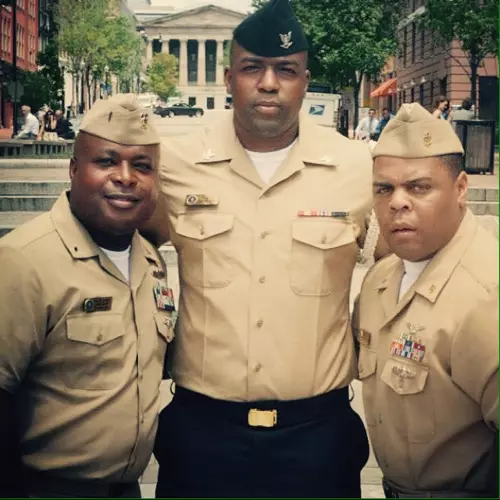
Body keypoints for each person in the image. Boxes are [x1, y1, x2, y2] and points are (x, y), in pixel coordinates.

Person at [142, 0, 378, 497]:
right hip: (204, 434)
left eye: (285, 70)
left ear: (305, 81)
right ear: (229, 78)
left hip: (317, 437)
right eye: (253, 68)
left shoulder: (359, 169)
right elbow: (126, 251)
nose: (269, 83)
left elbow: (399, 270)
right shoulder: (175, 165)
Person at [0, 94, 175, 498]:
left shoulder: (149, 259)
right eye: (107, 161)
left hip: (126, 488)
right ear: (74, 168)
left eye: (142, 166)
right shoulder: (25, 260)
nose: (126, 177)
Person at [354, 103, 498, 498]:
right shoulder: (382, 279)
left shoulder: (488, 296)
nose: (397, 202)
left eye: (419, 187)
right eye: (384, 188)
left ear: (461, 189)